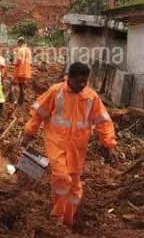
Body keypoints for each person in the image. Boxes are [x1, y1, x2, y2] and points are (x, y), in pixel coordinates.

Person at [21, 62, 119, 228]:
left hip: (77, 148)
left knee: (74, 188)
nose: (82, 85)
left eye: (85, 81)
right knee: (61, 178)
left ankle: (68, 222)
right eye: (79, 81)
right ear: (69, 78)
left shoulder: (91, 96)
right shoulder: (55, 91)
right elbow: (38, 114)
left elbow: (103, 122)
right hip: (56, 143)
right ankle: (56, 217)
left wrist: (109, 145)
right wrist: (29, 134)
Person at [12, 37, 32, 104]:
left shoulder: (20, 50)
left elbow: (19, 59)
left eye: (18, 43)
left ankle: (16, 100)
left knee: (15, 84)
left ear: (20, 42)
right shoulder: (28, 50)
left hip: (20, 70)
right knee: (22, 86)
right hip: (27, 71)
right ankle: (21, 100)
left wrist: (14, 62)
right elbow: (30, 61)